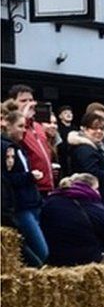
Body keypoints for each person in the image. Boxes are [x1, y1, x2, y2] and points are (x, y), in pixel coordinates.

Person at [2, 109, 48, 266]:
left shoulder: (17, 147)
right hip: (21, 206)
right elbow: (5, 179)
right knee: (41, 253)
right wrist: (29, 176)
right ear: (8, 125)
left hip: (32, 202)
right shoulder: (6, 147)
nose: (23, 130)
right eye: (20, 126)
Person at [40, 173, 104, 266]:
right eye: (96, 189)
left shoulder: (51, 202)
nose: (98, 192)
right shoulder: (95, 207)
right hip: (87, 259)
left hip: (55, 258)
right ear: (89, 188)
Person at [69, 112, 104, 230]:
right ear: (84, 129)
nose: (99, 131)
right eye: (94, 128)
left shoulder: (95, 147)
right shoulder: (84, 149)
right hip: (94, 203)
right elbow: (93, 176)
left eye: (102, 128)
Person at [8, 85, 55, 195]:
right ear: (13, 103)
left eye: (31, 100)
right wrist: (22, 116)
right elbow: (14, 141)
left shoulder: (38, 126)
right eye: (23, 100)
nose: (29, 104)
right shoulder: (10, 125)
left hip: (47, 187)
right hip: (28, 186)